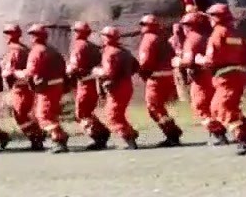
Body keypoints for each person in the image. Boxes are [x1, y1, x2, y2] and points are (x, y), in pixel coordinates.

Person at [196, 3, 246, 155]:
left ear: (216, 18)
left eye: (210, 17)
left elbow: (211, 59)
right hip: (239, 74)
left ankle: (244, 141)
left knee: (222, 108)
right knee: (229, 106)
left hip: (226, 76)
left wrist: (198, 59)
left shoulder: (218, 33)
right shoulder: (236, 32)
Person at [176, 10, 226, 144]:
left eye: (186, 25)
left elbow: (188, 60)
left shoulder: (192, 38)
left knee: (201, 106)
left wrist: (178, 62)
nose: (184, 28)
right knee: (214, 105)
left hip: (200, 78)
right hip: (214, 75)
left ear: (192, 25)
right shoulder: (208, 35)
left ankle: (218, 134)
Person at [19, 24, 69, 153]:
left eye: (33, 35)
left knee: (43, 115)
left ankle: (59, 140)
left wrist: (14, 73)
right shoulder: (52, 50)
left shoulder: (36, 51)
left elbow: (30, 72)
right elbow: (63, 67)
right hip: (57, 86)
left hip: (46, 88)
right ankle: (60, 137)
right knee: (49, 114)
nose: (31, 37)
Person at [136, 15, 183, 147]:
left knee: (154, 108)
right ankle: (173, 132)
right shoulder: (163, 37)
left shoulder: (148, 39)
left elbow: (145, 62)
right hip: (168, 76)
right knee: (159, 107)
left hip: (156, 78)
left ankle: (172, 134)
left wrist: (142, 72)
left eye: (143, 25)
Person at [65, 21, 111, 150]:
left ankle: (99, 136)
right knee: (88, 111)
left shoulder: (79, 47)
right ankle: (102, 133)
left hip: (85, 83)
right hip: (94, 82)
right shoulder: (93, 47)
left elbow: (74, 67)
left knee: (82, 113)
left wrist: (66, 72)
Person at [92, 27, 139, 150]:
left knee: (112, 116)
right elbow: (136, 66)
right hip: (127, 85)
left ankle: (129, 139)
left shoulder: (110, 52)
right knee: (118, 114)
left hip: (117, 88)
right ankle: (131, 134)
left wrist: (97, 71)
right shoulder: (124, 51)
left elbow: (107, 72)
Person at [0, 25, 43, 150]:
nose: (8, 36)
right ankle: (36, 136)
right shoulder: (19, 48)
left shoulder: (16, 50)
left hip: (21, 87)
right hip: (22, 87)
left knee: (21, 114)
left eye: (10, 33)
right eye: (7, 33)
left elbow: (11, 70)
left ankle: (36, 137)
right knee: (21, 114)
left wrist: (7, 73)